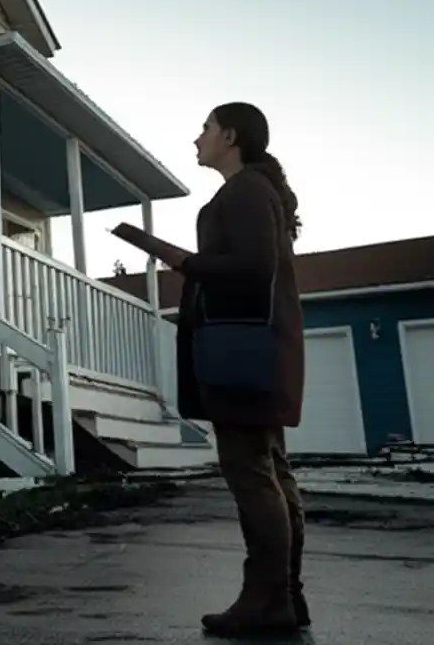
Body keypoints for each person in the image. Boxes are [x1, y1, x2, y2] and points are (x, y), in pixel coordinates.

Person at [163, 102, 307, 637]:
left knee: (250, 471)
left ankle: (267, 599)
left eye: (204, 129)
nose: (196, 138)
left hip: (243, 351)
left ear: (230, 134)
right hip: (258, 349)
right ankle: (286, 597)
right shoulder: (255, 190)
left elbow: (253, 267)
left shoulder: (245, 190)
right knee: (270, 469)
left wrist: (187, 262)